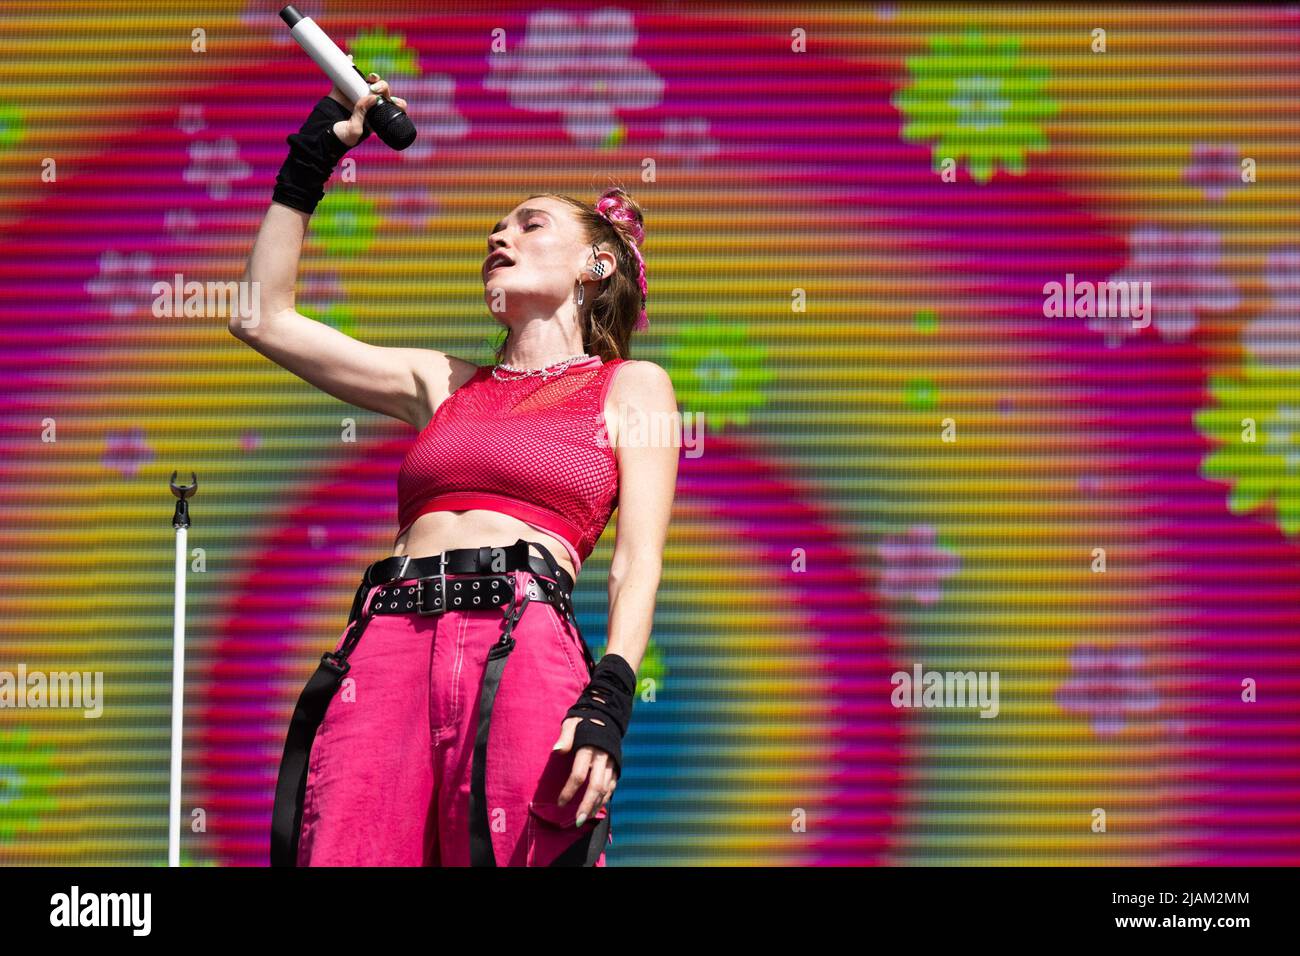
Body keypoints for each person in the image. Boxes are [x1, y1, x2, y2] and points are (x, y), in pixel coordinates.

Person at [232, 73, 679, 866]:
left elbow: (638, 562)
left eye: (530, 225)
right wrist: (312, 158)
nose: (498, 237)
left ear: (595, 265)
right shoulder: (443, 383)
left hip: (523, 639)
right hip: (386, 645)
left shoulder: (630, 386)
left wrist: (609, 698)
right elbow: (260, 318)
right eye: (494, 230)